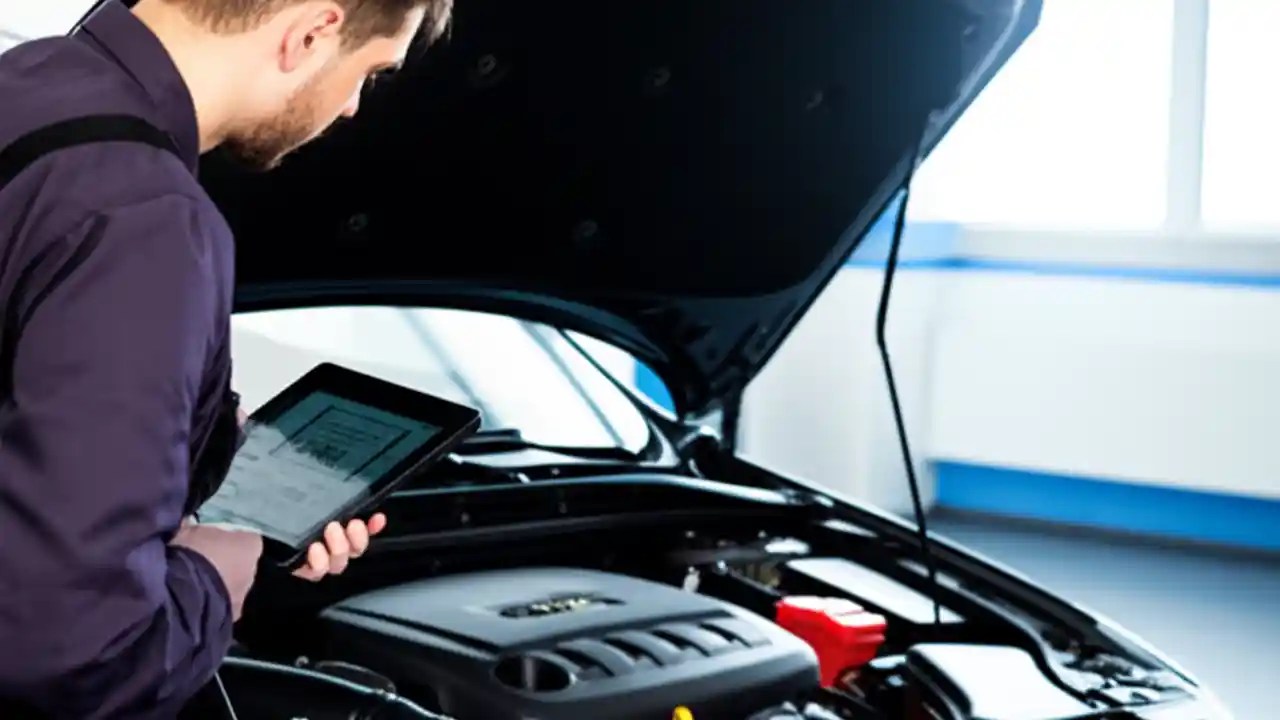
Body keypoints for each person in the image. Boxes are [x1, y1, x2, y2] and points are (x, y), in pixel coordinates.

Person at [0, 0, 452, 717]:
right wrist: (215, 575)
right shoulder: (149, 221)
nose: (353, 108)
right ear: (312, 32)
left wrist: (187, 463)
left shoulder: (25, 84)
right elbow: (74, 652)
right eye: (371, 73)